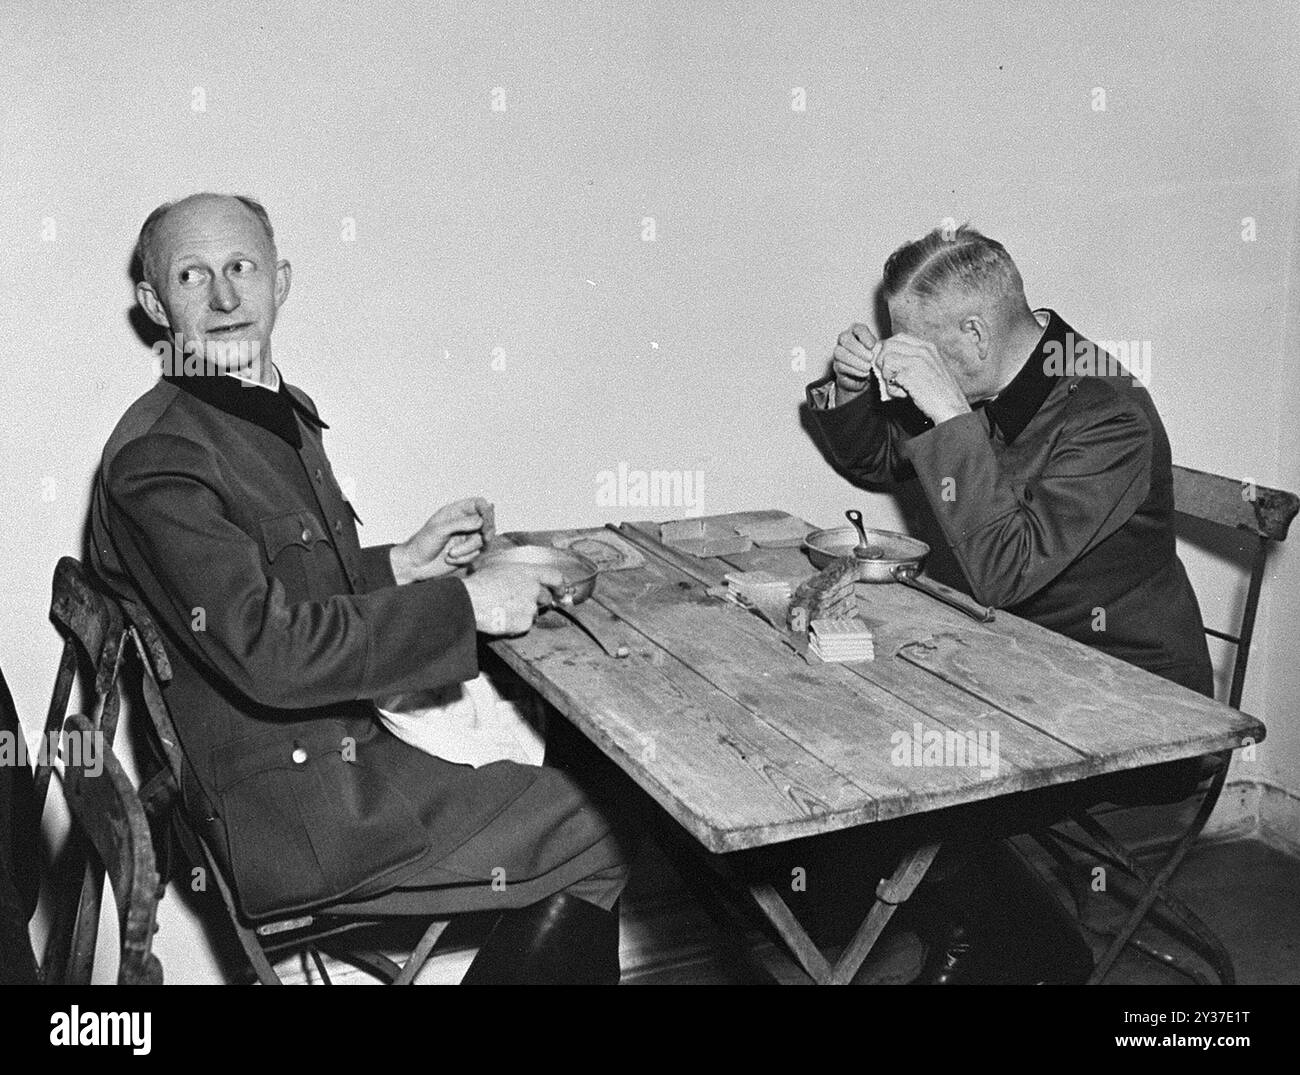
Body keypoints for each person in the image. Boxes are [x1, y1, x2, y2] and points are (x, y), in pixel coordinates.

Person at [89, 192, 630, 984]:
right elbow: (267, 648)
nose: (226, 298)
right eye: (192, 276)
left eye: (242, 267)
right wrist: (467, 604)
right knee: (605, 825)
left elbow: (275, 589)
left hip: (326, 750)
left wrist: (401, 564)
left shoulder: (259, 410)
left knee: (586, 760)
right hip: (296, 811)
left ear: (280, 281)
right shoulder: (160, 459)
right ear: (153, 302)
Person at [802, 224, 1216, 983]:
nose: (901, 369)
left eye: (916, 350)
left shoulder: (1108, 415)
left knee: (903, 772)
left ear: (973, 331)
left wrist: (950, 417)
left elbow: (1003, 571)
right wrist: (854, 388)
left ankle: (1025, 950)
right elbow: (877, 457)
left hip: (1132, 698)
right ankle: (997, 934)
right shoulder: (994, 380)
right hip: (1019, 664)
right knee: (843, 726)